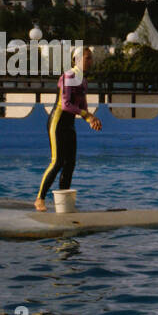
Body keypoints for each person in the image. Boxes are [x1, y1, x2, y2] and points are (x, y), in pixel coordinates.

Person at [35, 46, 101, 210]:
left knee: (70, 163)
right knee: (57, 162)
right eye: (88, 58)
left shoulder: (83, 81)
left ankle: (63, 204)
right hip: (57, 122)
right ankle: (40, 199)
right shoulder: (69, 76)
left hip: (70, 124)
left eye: (91, 58)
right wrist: (88, 115)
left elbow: (82, 106)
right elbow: (66, 104)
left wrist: (91, 119)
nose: (91, 61)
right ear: (77, 59)